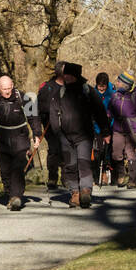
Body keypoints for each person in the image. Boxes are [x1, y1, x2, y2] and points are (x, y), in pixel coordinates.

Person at [42, 61, 110, 208]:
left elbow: (100, 112)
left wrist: (105, 132)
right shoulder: (58, 93)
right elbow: (53, 113)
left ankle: (85, 190)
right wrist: (57, 132)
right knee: (70, 166)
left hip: (84, 135)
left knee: (84, 163)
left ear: (75, 76)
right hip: (65, 137)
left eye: (68, 75)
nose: (65, 77)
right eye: (64, 74)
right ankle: (75, 193)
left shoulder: (88, 92)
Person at [0, 75, 42, 210]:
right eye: (4, 89)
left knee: (18, 167)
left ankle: (16, 196)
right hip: (2, 138)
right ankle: (10, 194)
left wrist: (36, 134)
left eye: (9, 88)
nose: (7, 92)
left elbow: (34, 117)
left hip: (20, 136)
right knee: (5, 170)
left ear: (13, 86)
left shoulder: (23, 98)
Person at [108, 72, 136, 189]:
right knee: (116, 153)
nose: (117, 83)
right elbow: (110, 109)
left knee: (130, 153)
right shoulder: (115, 96)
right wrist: (108, 115)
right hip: (117, 128)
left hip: (132, 129)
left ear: (125, 84)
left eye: (119, 81)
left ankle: (132, 180)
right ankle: (121, 175)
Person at [36, 62, 65, 191]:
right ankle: (52, 177)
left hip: (67, 124)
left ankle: (66, 177)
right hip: (50, 123)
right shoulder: (47, 87)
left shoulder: (72, 87)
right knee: (54, 149)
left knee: (67, 149)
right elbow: (39, 107)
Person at [93, 72, 115, 184]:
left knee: (108, 151)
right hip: (96, 127)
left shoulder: (112, 94)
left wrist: (110, 115)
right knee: (98, 152)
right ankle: (95, 176)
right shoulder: (92, 93)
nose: (101, 90)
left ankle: (108, 173)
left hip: (109, 126)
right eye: (99, 87)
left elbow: (116, 109)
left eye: (103, 87)